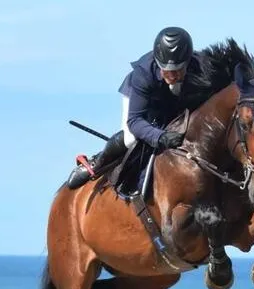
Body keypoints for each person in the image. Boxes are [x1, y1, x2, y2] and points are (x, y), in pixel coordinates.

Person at [66, 26, 204, 190]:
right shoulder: (143, 73)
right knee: (131, 138)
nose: (172, 76)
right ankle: (97, 163)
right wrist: (160, 137)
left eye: (178, 70)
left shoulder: (200, 66)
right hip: (140, 102)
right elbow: (135, 121)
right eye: (166, 71)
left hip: (171, 100)